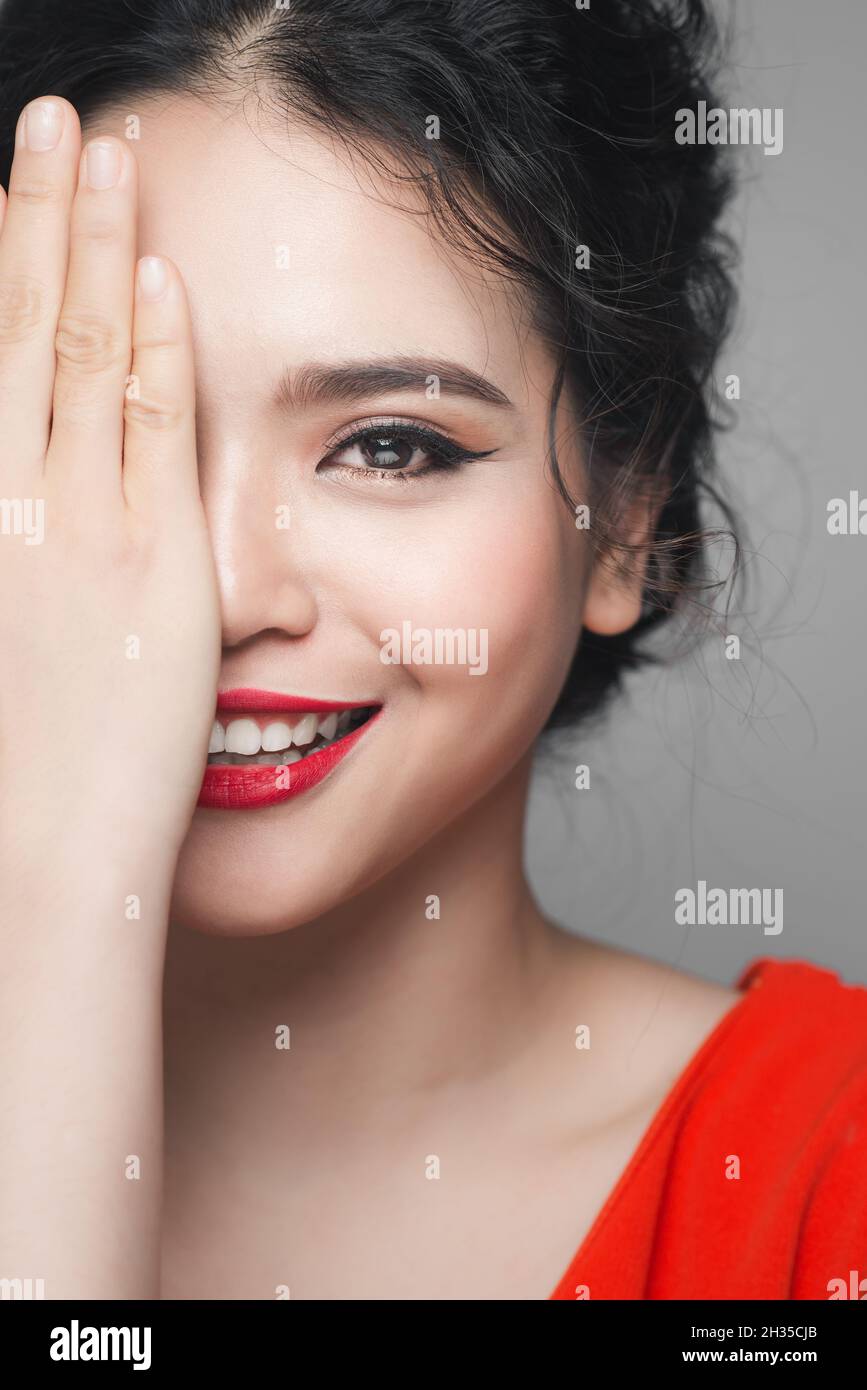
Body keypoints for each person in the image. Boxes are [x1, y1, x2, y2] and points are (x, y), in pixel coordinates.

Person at [0, 0, 864, 1301]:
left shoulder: (825, 1184)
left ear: (627, 517)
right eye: (110, 434)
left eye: (391, 446)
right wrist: (61, 889)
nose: (225, 593)